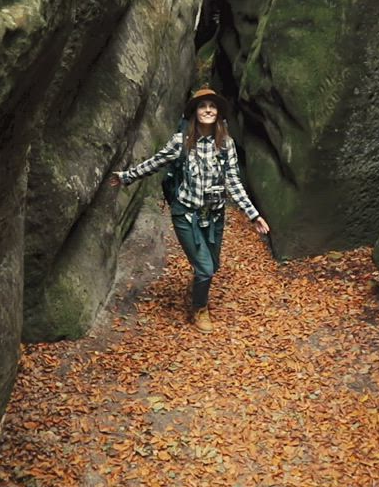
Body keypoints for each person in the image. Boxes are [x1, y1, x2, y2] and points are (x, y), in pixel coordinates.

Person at [109, 87, 270, 333]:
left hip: (214, 216)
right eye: (202, 106)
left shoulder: (226, 144)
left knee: (212, 266)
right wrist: (126, 176)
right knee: (205, 268)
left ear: (218, 113)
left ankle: (197, 286)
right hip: (186, 214)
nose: (208, 110)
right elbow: (155, 162)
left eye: (212, 106)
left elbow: (234, 182)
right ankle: (199, 308)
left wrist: (253, 215)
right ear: (194, 112)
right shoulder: (181, 141)